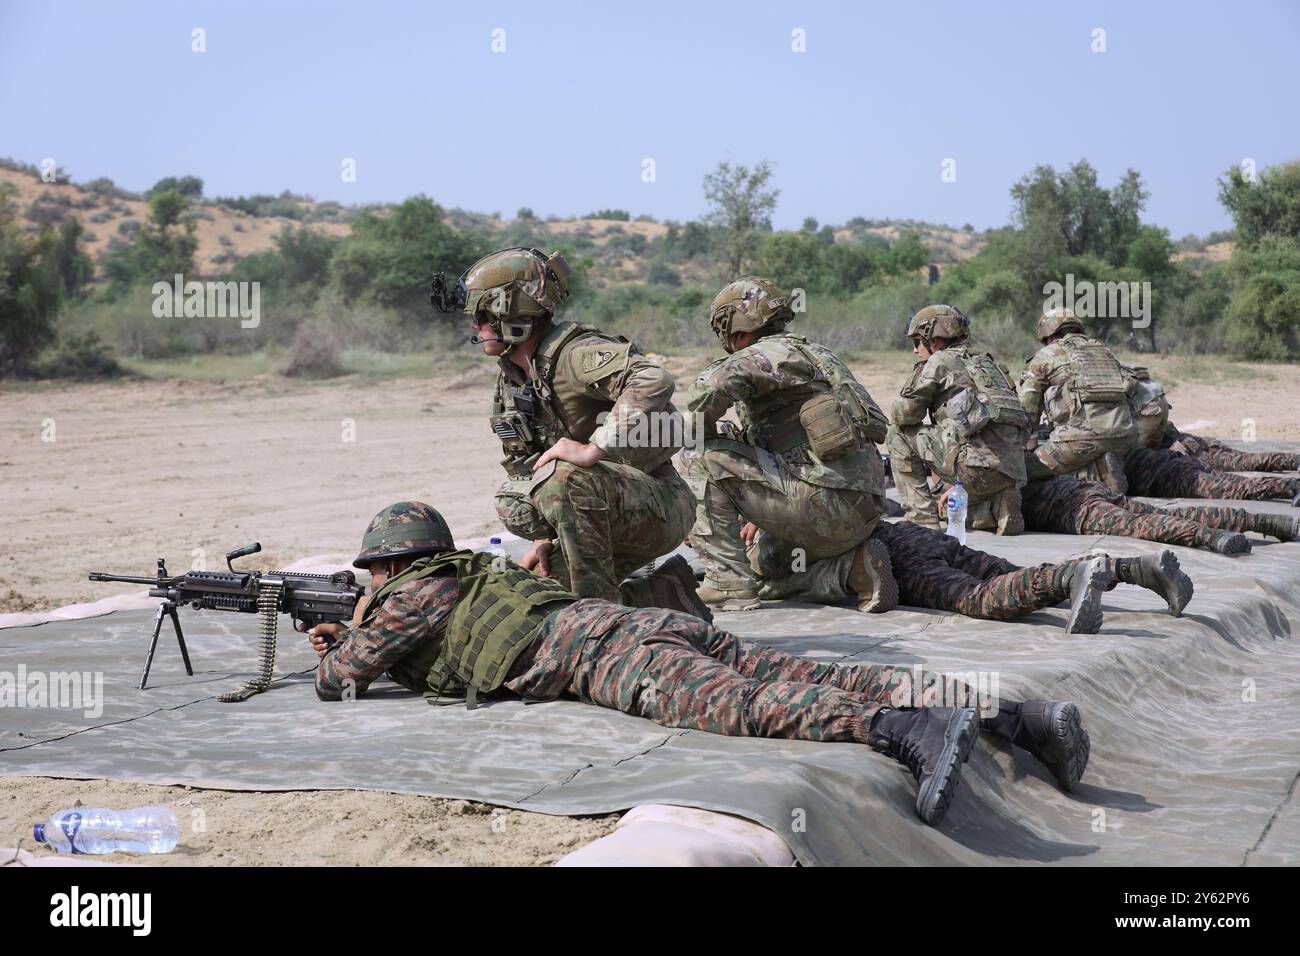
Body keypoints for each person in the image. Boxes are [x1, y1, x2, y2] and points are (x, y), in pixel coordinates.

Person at [307, 500, 1094, 826]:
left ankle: (904, 728)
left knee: (743, 707)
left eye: (373, 575)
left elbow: (339, 680)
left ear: (391, 566)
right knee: (814, 673)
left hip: (604, 652)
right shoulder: (477, 573)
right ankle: (1014, 715)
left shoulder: (411, 596)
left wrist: (341, 643)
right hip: (630, 621)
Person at [431, 246, 701, 613]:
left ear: (509, 314)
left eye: (479, 316)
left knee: (565, 478)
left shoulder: (575, 355)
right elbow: (527, 465)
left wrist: (594, 449)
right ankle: (665, 596)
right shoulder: (512, 380)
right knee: (535, 598)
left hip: (661, 504)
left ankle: (600, 625)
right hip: (599, 514)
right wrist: (543, 537)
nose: (473, 327)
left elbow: (653, 378)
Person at [683, 277, 896, 613]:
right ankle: (849, 571)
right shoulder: (813, 352)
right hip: (858, 511)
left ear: (736, 327)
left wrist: (690, 489)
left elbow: (706, 392)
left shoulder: (770, 353)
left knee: (694, 455)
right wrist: (758, 507)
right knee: (761, 564)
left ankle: (726, 586)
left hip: (823, 505)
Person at [869, 518, 1195, 633]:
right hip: (913, 533)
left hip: (897, 553)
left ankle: (1072, 576)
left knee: (981, 598)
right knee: (1016, 576)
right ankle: (1134, 567)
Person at [887, 305, 1029, 534]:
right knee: (955, 506)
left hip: (973, 468)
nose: (915, 350)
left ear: (933, 340)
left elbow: (904, 415)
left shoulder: (939, 361)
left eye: (916, 342)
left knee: (897, 435)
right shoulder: (988, 363)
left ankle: (921, 521)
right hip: (1012, 472)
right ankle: (998, 505)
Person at [1021, 475, 1299, 554]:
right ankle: (1264, 521)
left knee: (1139, 525)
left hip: (1071, 505)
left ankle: (1211, 536)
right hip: (1081, 486)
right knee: (1164, 512)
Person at [1019, 308, 1138, 493]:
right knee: (1085, 454)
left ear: (1049, 337)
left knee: (1023, 472)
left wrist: (1024, 450)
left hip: (1077, 440)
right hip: (1123, 437)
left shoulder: (1047, 354)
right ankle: (1103, 468)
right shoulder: (1105, 351)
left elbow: (1027, 409)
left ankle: (1091, 475)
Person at [1126, 365, 1299, 473]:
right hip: (1176, 437)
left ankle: (1293, 462)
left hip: (1174, 447)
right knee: (1238, 458)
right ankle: (1292, 461)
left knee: (1237, 461)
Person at [1123, 445, 1300, 506]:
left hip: (1172, 473)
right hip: (1176, 460)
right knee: (1235, 482)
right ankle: (1291, 486)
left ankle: (1292, 487)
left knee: (1232, 487)